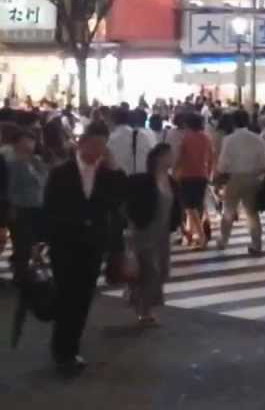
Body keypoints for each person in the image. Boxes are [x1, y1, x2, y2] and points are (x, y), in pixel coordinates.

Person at [42, 120, 128, 375]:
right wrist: (44, 241)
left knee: (82, 299)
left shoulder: (106, 174)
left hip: (93, 245)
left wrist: (115, 168)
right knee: (66, 296)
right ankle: (62, 349)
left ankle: (70, 349)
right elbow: (50, 208)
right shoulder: (62, 172)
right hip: (64, 245)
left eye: (103, 146)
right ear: (81, 144)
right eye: (94, 145)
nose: (98, 151)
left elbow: (120, 199)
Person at [124, 144, 181, 325]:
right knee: (151, 272)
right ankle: (144, 310)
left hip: (163, 233)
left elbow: (176, 206)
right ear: (159, 158)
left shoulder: (171, 181)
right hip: (144, 231)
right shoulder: (144, 181)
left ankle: (138, 297)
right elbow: (132, 206)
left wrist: (180, 225)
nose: (172, 158)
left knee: (163, 272)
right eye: (169, 155)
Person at [216, 110, 265, 255]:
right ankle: (256, 244)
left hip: (234, 178)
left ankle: (223, 241)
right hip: (253, 178)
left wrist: (219, 176)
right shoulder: (257, 139)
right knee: (252, 213)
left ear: (233, 122)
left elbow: (223, 164)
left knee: (228, 211)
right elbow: (264, 163)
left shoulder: (228, 139)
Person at [5, 126, 48, 279]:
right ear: (16, 144)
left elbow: (45, 181)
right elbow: (9, 188)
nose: (29, 145)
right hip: (21, 207)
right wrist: (11, 208)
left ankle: (26, 268)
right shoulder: (11, 164)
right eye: (25, 142)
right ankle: (21, 274)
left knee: (35, 240)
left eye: (31, 141)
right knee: (22, 242)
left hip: (38, 206)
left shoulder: (37, 161)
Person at [174, 113, 214, 249]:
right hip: (202, 176)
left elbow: (180, 159)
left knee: (190, 208)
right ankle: (190, 235)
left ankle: (202, 238)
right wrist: (208, 173)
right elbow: (211, 158)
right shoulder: (206, 138)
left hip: (187, 175)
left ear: (188, 124)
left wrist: (174, 173)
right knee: (195, 206)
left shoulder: (186, 139)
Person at [106, 107, 156, 176]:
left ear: (112, 120)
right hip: (141, 181)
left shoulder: (110, 140)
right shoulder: (141, 135)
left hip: (119, 182)